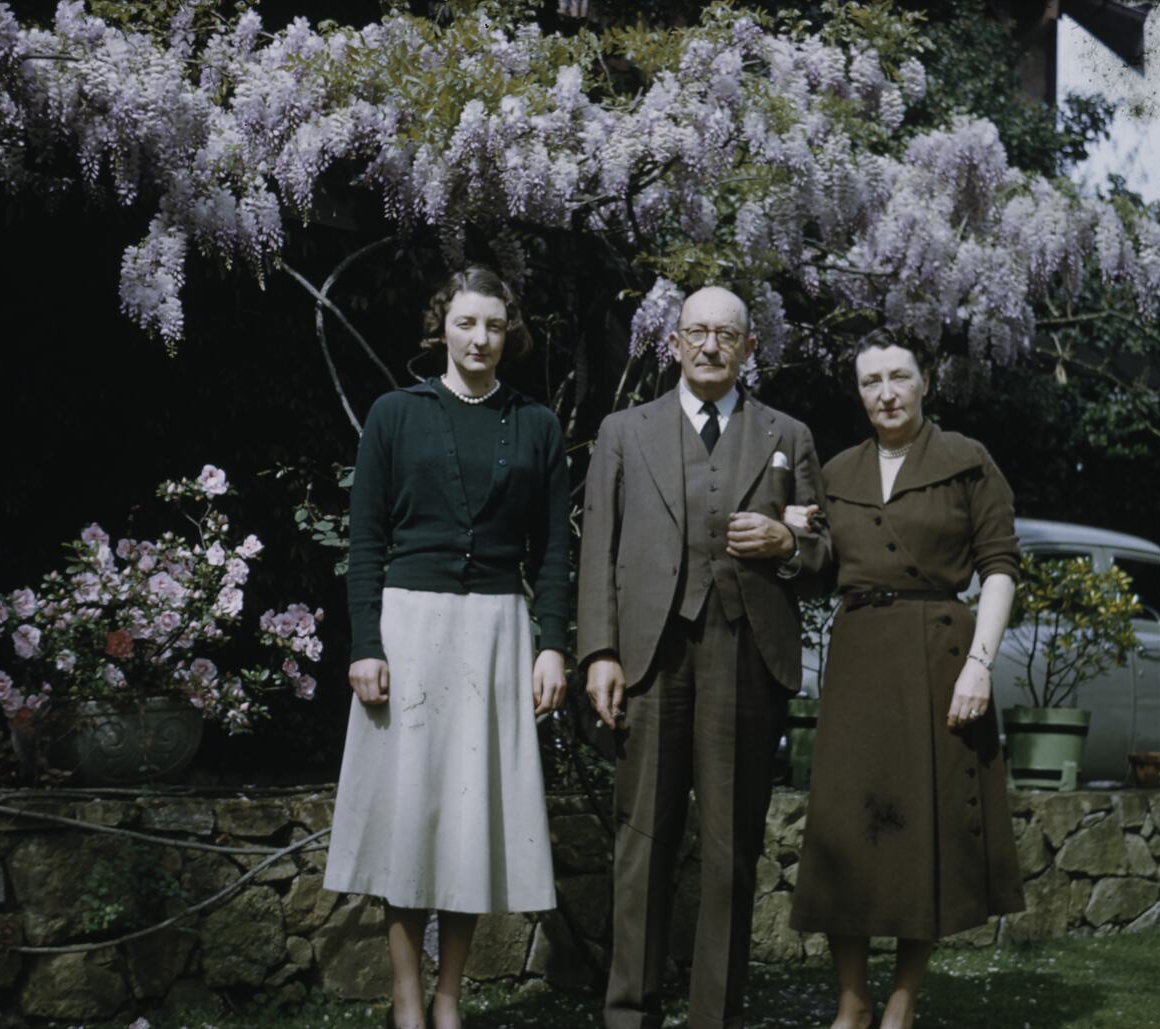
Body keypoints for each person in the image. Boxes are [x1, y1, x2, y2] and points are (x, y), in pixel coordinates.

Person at [578, 285, 832, 1029]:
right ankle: (630, 1013)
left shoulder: (790, 433)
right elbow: (598, 550)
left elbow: (822, 553)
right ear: (674, 342)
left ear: (751, 347)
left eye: (727, 334)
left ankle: (714, 1017)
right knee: (642, 841)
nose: (711, 345)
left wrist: (789, 543)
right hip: (650, 657)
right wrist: (599, 650)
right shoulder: (624, 432)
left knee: (730, 848)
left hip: (746, 655)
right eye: (697, 332)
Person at [323, 266, 571, 1029]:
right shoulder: (397, 414)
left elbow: (554, 550)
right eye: (467, 323)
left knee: (468, 816)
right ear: (443, 328)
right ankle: (404, 995)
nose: (480, 339)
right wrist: (366, 643)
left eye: (494, 326)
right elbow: (366, 541)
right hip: (410, 627)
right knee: (410, 815)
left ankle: (448, 996)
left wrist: (551, 644)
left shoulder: (536, 423)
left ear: (510, 335)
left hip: (495, 629)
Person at [788, 338, 1026, 1029]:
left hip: (941, 658)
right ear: (858, 392)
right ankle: (852, 1001)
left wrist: (979, 664)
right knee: (845, 826)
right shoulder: (836, 471)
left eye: (899, 377)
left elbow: (1000, 566)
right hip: (859, 657)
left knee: (925, 830)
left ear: (925, 383)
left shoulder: (967, 460)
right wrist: (793, 534)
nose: (886, 392)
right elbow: (819, 569)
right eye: (870, 381)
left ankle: (899, 1006)